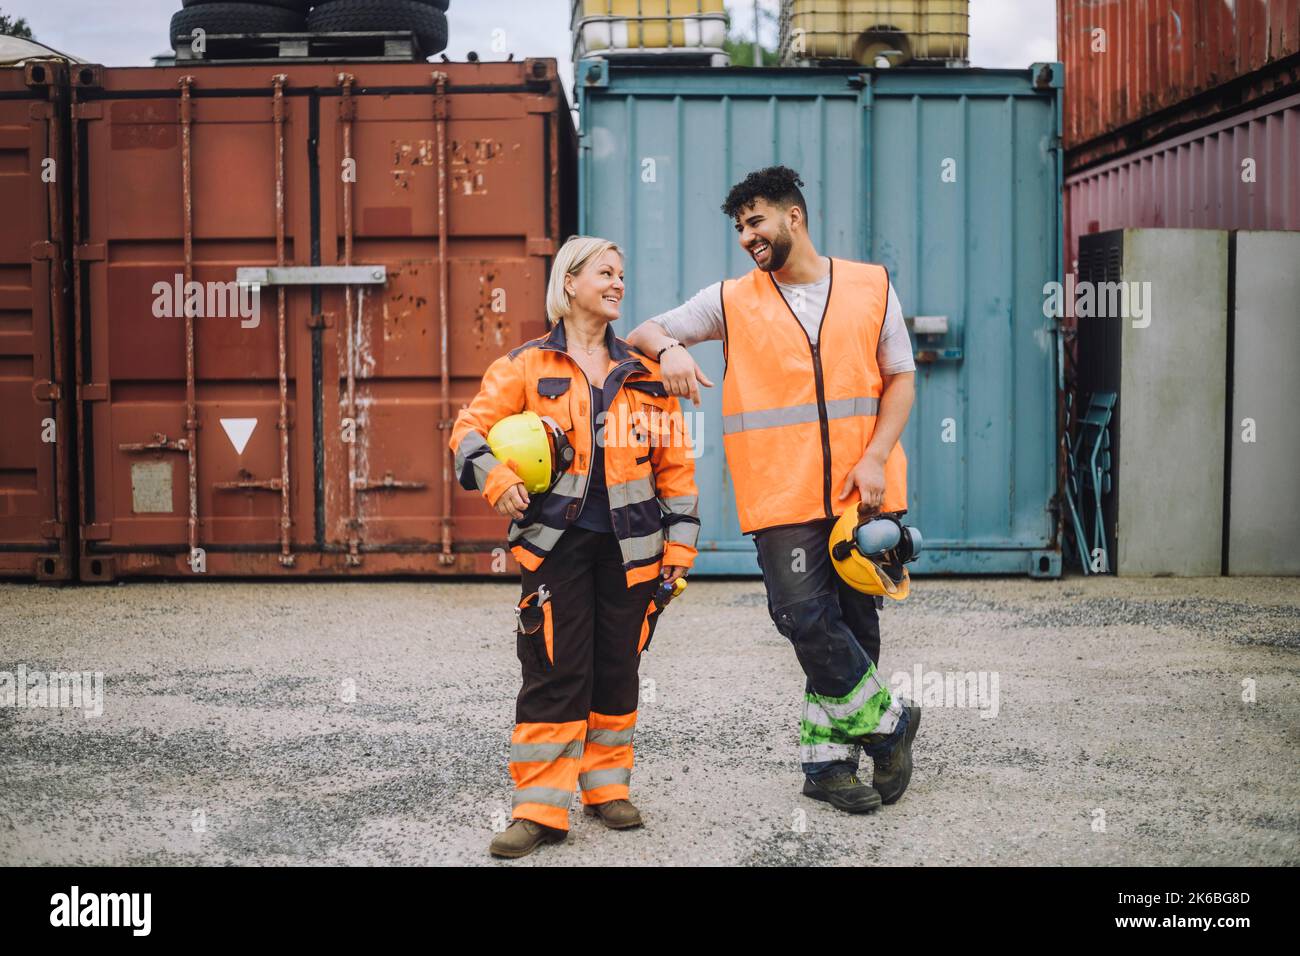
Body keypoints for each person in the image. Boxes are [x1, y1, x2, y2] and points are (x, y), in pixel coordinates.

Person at [627, 166, 920, 814]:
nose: (746, 236)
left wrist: (874, 458)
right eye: (738, 227)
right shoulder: (731, 299)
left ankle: (827, 765)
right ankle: (890, 722)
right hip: (780, 496)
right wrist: (672, 349)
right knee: (801, 617)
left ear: (795, 217)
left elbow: (901, 377)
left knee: (855, 626)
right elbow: (644, 331)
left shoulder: (871, 287)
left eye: (755, 221)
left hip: (861, 491)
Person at [450, 235, 700, 858]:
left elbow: (676, 472)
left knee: (618, 667)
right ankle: (539, 808)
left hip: (634, 551)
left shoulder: (643, 375)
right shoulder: (524, 366)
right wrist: (498, 479)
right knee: (556, 671)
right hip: (555, 549)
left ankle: (606, 788)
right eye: (605, 273)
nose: (618, 283)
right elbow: (467, 432)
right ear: (569, 284)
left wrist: (680, 553)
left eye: (622, 274)